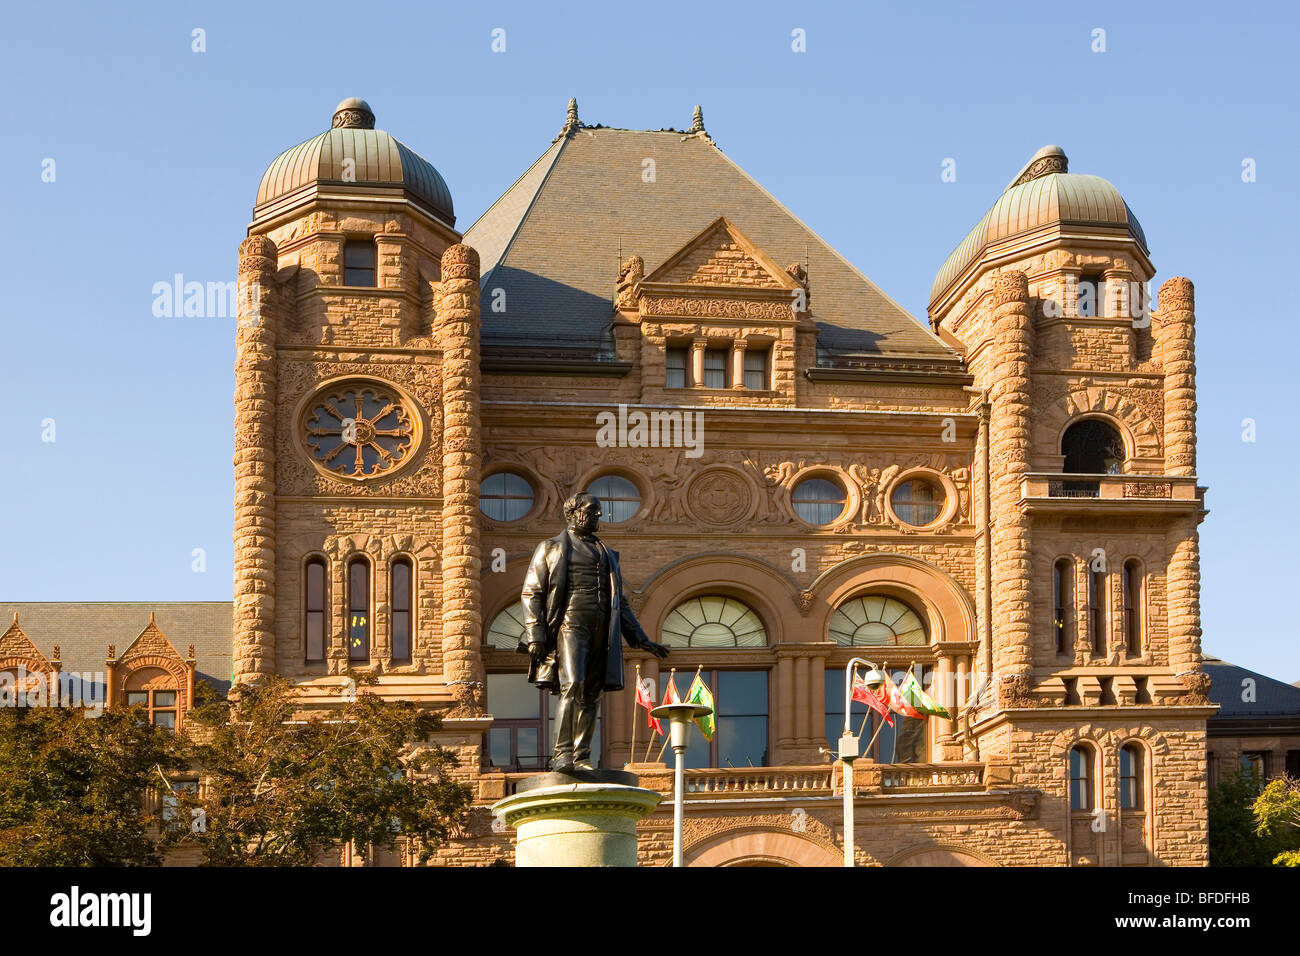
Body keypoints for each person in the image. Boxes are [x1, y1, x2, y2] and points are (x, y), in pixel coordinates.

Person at [520, 492, 669, 772]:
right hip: (570, 623)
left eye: (599, 511)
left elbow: (620, 603)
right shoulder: (551, 547)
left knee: (592, 692)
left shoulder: (607, 554)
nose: (598, 515)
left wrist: (641, 639)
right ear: (573, 513)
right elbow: (532, 593)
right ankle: (562, 754)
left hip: (603, 626)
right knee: (573, 684)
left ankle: (581, 755)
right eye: (592, 510)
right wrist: (535, 635)